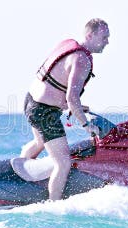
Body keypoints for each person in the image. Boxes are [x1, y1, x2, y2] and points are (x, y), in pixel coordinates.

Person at [20, 18, 110, 200]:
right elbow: (71, 97)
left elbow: (55, 84)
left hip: (31, 101)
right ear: (90, 35)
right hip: (43, 111)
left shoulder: (69, 45)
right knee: (63, 162)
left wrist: (71, 106)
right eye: (104, 37)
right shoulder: (82, 59)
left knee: (39, 143)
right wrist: (87, 126)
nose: (107, 41)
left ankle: (18, 177)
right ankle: (54, 206)